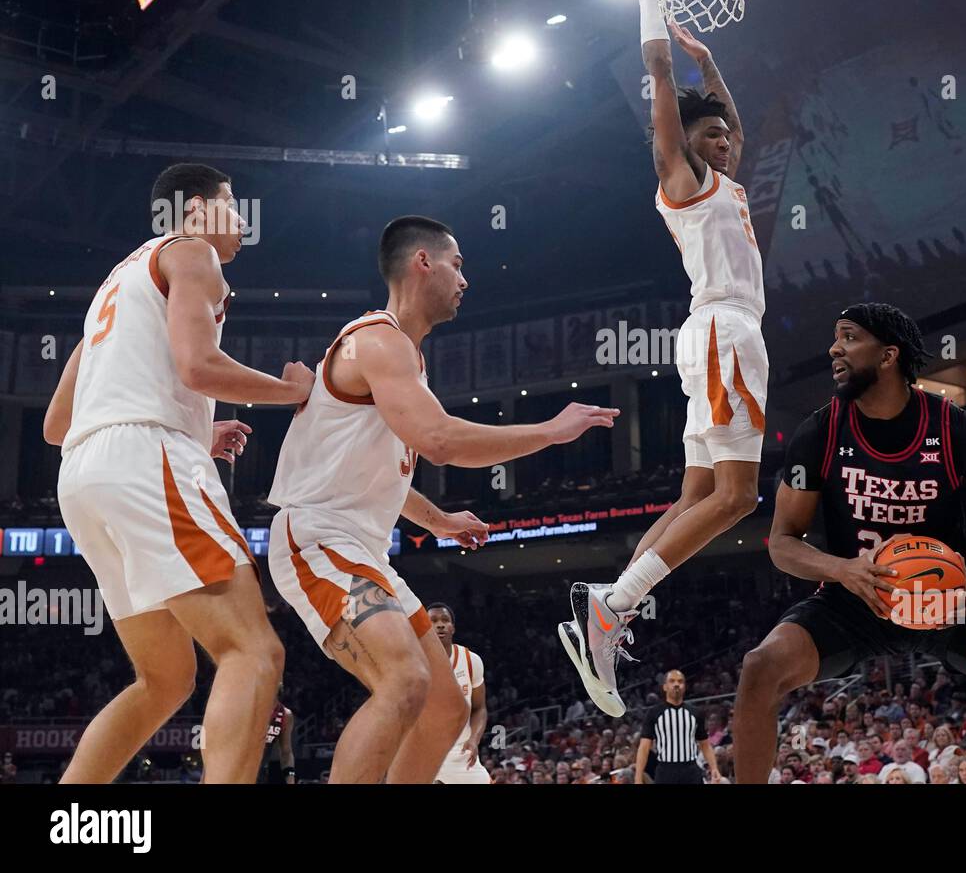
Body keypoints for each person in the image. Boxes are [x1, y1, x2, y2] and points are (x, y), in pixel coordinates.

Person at [267, 215, 618, 783]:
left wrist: (439, 520)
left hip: (361, 551)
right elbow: (440, 442)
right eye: (457, 264)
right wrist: (550, 431)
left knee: (447, 708)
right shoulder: (376, 341)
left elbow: (384, 474)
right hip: (318, 537)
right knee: (405, 681)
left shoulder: (408, 359)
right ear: (422, 262)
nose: (465, 279)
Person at [45, 163, 314, 783]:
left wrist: (191, 427)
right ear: (195, 209)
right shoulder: (191, 253)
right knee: (253, 650)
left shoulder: (115, 284)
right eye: (232, 205)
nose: (243, 222)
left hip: (85, 478)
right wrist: (289, 391)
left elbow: (57, 425)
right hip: (145, 460)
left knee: (165, 681)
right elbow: (198, 367)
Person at [731, 304, 966, 783]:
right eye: (835, 337)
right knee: (759, 668)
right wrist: (842, 569)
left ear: (889, 354)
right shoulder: (820, 433)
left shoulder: (956, 430)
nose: (834, 348)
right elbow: (782, 543)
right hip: (855, 595)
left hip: (946, 593)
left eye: (849, 337)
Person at [561, 0, 766, 719]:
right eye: (711, 134)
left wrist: (710, 65)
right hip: (724, 333)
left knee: (697, 498)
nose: (726, 140)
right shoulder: (681, 179)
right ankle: (610, 608)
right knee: (739, 497)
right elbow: (657, 79)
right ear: (686, 141)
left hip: (718, 338)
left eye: (725, 134)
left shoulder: (727, 182)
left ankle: (608, 616)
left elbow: (732, 119)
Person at [428, 603, 490, 785]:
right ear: (424, 627)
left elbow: (480, 708)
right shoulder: (413, 662)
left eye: (445, 620)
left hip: (460, 753)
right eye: (433, 621)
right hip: (423, 753)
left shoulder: (471, 661)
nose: (440, 625)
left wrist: (474, 739)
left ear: (452, 628)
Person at [635, 671, 721, 784]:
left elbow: (705, 745)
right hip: (665, 770)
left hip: (690, 769)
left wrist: (714, 768)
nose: (676, 684)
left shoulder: (695, 713)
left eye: (680, 681)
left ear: (684, 687)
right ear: (665, 687)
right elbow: (644, 747)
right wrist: (638, 776)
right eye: (672, 681)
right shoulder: (654, 713)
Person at [260, 689, 295, 784]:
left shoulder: (285, 714)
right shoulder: (248, 709)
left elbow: (286, 753)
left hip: (261, 775)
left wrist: (291, 779)